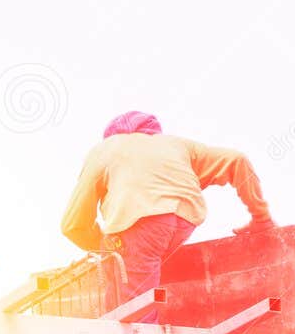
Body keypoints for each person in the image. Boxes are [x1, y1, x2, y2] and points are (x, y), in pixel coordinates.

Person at [60, 111, 274, 318]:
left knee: (134, 312)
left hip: (141, 223)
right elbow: (237, 160)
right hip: (185, 220)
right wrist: (261, 218)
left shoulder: (104, 150)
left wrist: (104, 246)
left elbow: (72, 224)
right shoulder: (176, 145)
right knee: (137, 265)